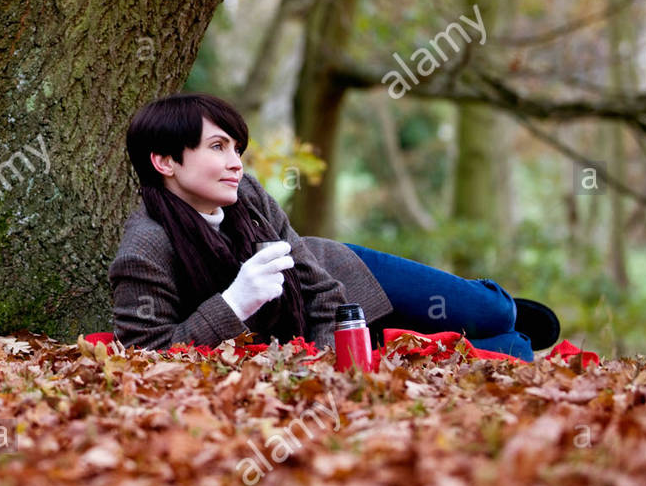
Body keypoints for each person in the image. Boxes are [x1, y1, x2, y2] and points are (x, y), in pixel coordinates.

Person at [108, 93, 560, 359]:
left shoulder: (249, 194)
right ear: (165, 161)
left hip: (341, 274)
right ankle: (501, 331)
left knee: (494, 315)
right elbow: (147, 353)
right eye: (218, 147)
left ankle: (495, 301)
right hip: (315, 332)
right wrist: (234, 303)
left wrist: (324, 355)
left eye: (237, 149)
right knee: (510, 350)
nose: (235, 164)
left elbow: (320, 288)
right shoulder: (144, 249)